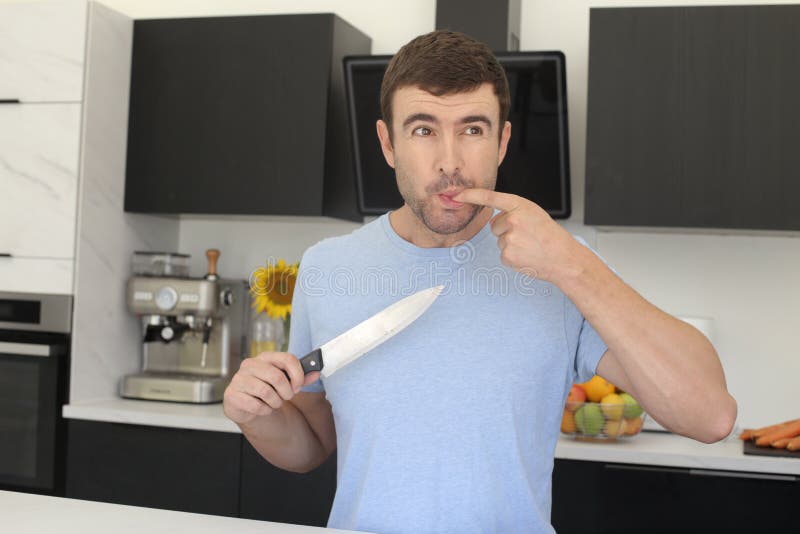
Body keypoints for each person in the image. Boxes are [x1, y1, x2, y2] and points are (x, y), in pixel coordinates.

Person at [223, 30, 737, 533]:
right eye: (424, 130)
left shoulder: (561, 264)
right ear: (388, 143)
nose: (450, 162)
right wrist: (257, 414)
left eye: (472, 129)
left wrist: (570, 264)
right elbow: (312, 441)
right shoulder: (326, 267)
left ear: (502, 142)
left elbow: (710, 416)